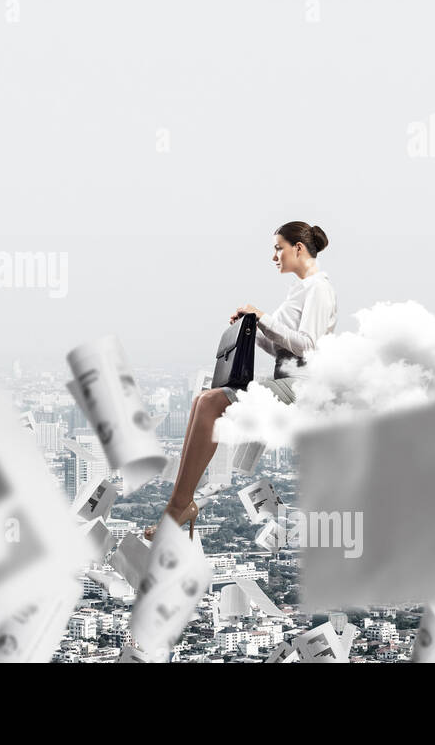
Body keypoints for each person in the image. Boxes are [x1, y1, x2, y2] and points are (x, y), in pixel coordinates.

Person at [144, 221, 338, 540]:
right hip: (288, 381)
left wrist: (264, 318)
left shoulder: (318, 287)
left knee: (209, 403)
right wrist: (252, 329)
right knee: (201, 401)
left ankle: (179, 506)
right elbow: (282, 345)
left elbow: (309, 346)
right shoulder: (301, 289)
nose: (274, 256)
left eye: (279, 248)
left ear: (298, 248)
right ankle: (180, 503)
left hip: (303, 388)